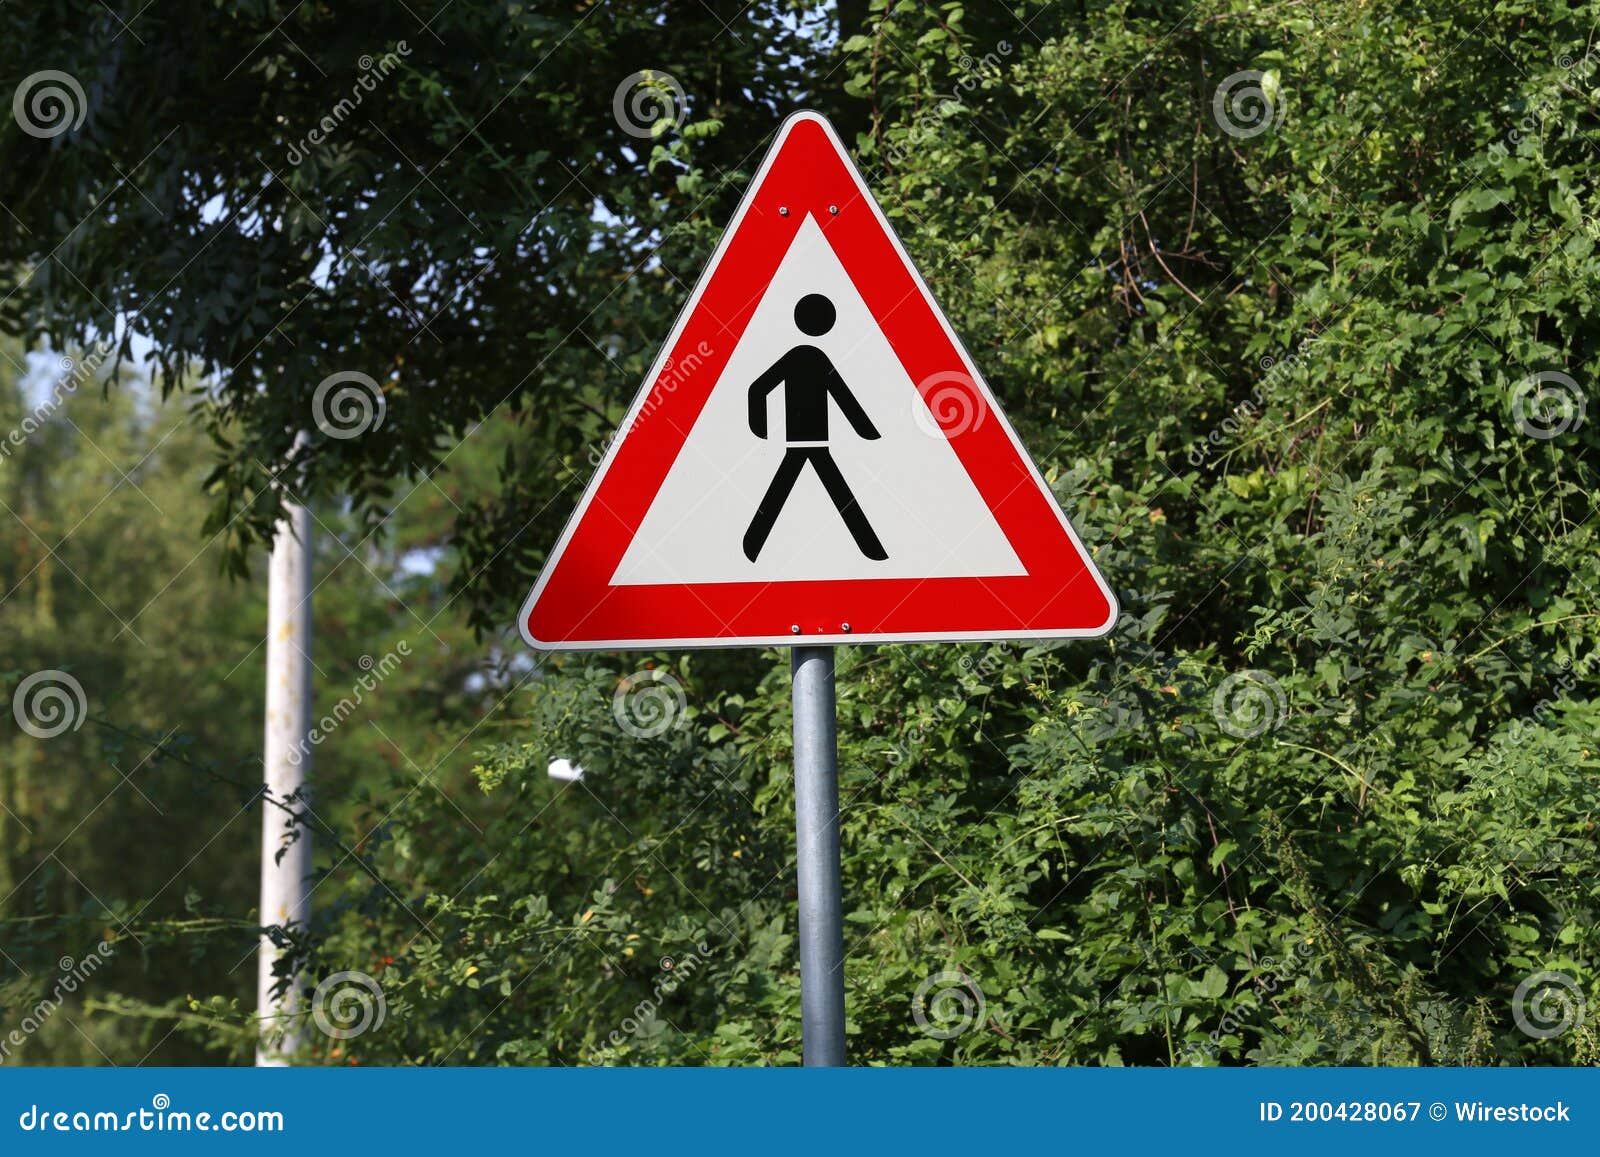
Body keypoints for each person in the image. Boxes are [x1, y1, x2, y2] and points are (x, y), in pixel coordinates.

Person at [742, 293, 888, 563]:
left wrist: (761, 428)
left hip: (804, 441)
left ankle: (751, 546)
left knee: (794, 488)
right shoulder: (813, 357)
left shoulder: (801, 357)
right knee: (833, 491)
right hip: (810, 440)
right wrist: (865, 430)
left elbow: (758, 389)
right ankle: (873, 549)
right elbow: (842, 395)